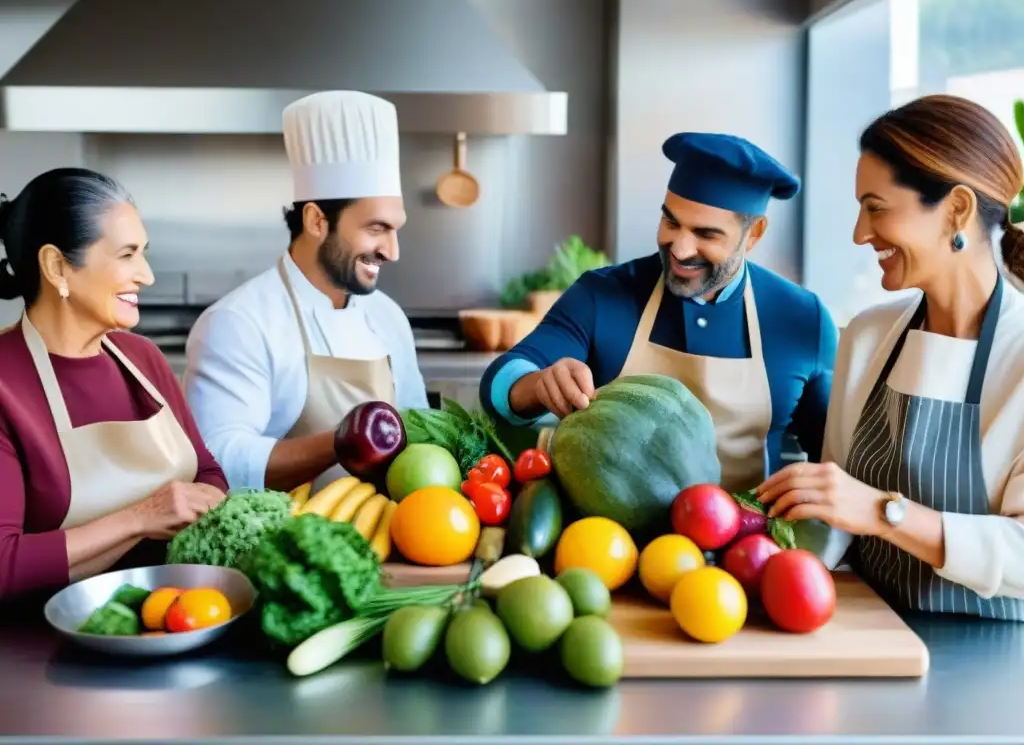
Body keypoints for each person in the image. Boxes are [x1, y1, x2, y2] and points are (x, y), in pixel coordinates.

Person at [756, 94, 1024, 620]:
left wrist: (885, 512)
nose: (860, 233)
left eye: (875, 208)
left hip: (993, 665)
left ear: (957, 210)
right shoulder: (868, 336)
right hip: (867, 629)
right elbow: (832, 517)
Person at [480, 133, 839, 494]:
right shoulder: (602, 294)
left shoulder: (804, 319)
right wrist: (538, 384)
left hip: (746, 543)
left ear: (754, 234)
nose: (680, 250)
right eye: (671, 223)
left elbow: (832, 453)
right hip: (606, 541)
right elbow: (499, 384)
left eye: (706, 235)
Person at [0, 168, 227, 602]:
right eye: (127, 255)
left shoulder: (144, 359)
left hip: (176, 616)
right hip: (47, 650)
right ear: (57, 266)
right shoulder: (5, 383)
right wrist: (140, 518)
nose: (147, 275)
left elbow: (208, 472)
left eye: (144, 253)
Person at [184, 91, 427, 494]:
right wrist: (342, 441)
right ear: (316, 220)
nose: (392, 251)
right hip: (284, 545)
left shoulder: (388, 317)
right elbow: (216, 457)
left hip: (389, 539)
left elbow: (419, 430)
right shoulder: (237, 323)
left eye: (395, 229)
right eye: (376, 228)